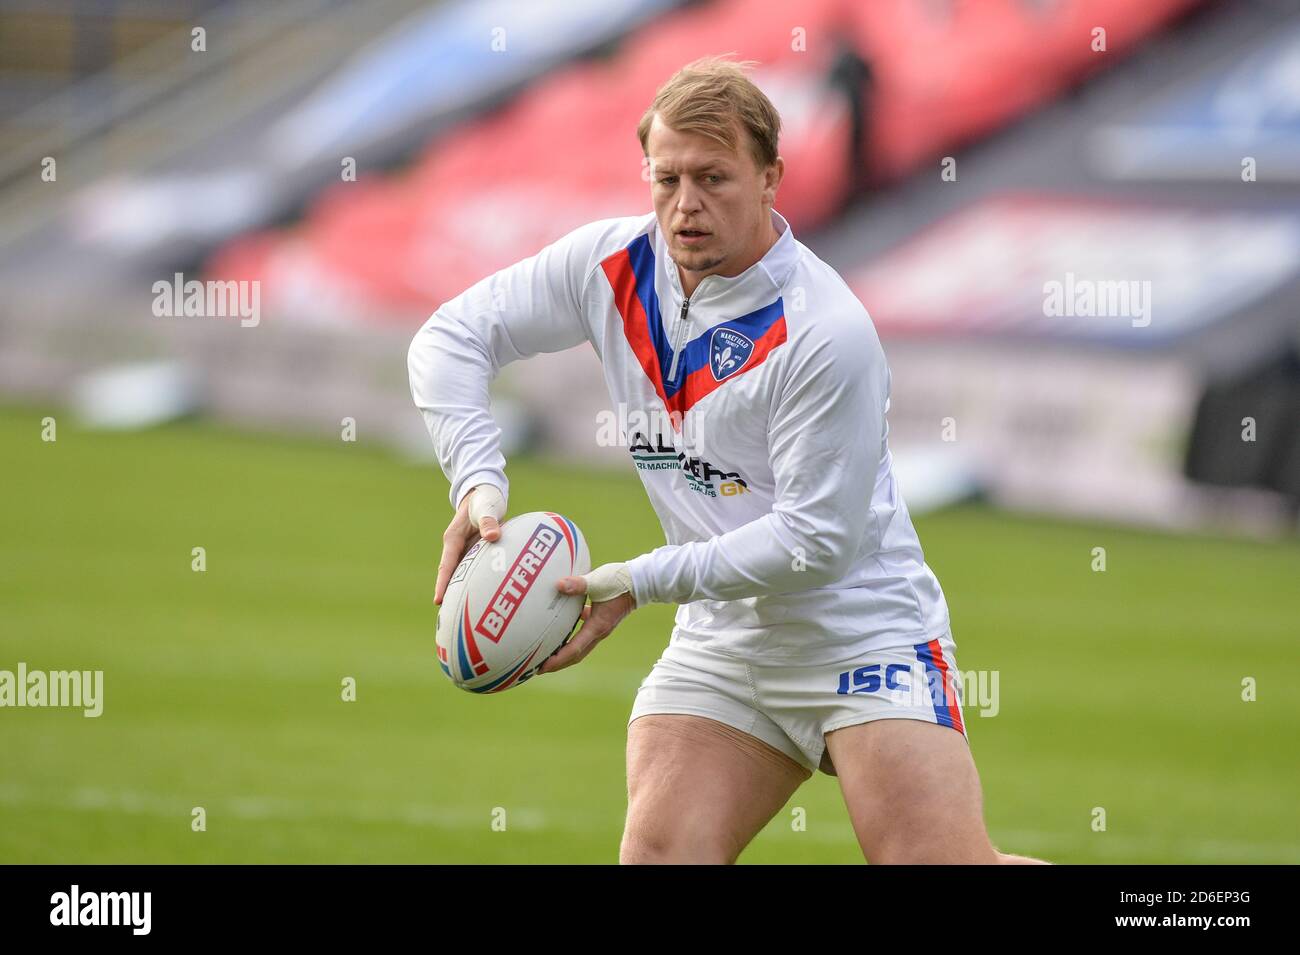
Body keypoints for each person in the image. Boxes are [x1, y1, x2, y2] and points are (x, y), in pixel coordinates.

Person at [408, 55, 1047, 865]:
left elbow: (814, 542)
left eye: (714, 178)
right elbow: (451, 338)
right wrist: (478, 481)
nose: (686, 206)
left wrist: (641, 580)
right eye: (666, 179)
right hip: (725, 641)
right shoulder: (609, 266)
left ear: (772, 175)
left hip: (862, 636)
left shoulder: (825, 331)